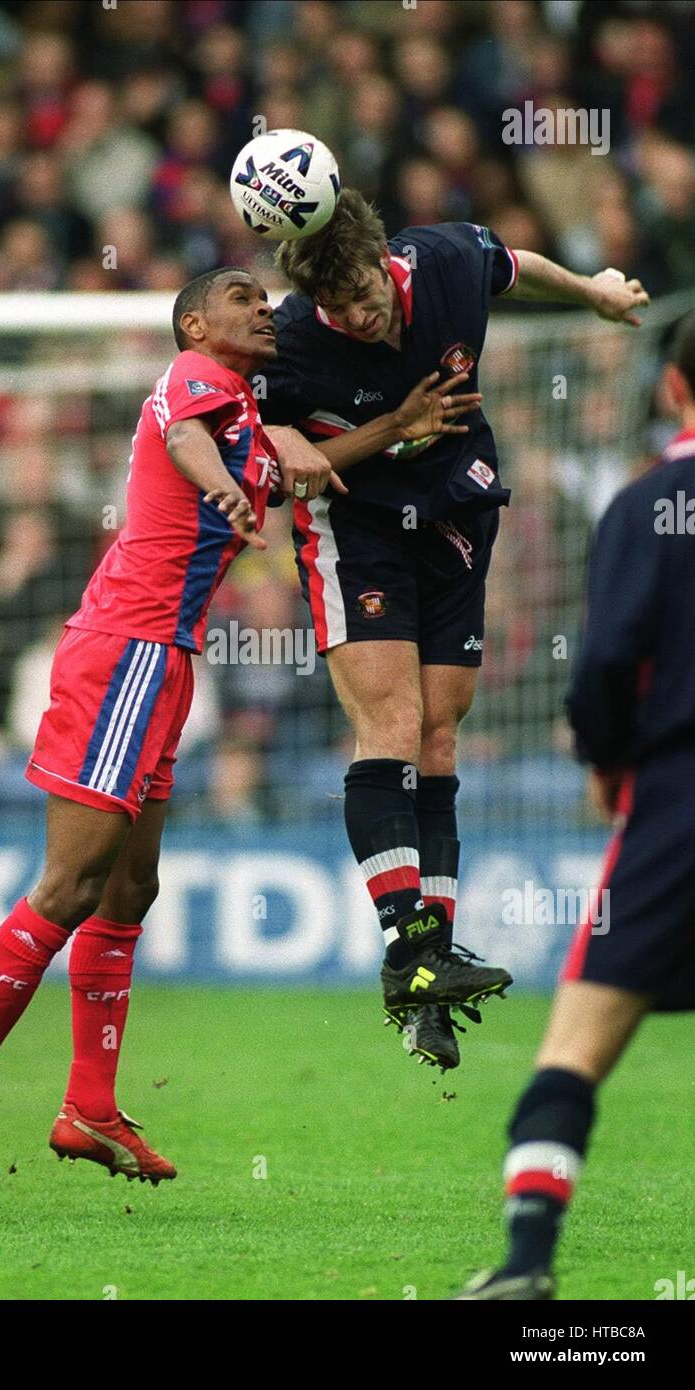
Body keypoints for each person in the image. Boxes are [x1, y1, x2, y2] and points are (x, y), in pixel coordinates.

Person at [0, 266, 339, 1189]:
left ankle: (89, 1108)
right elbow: (184, 437)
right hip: (124, 651)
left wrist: (402, 422)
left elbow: (307, 467)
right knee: (69, 884)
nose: (261, 306)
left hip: (166, 663)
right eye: (239, 296)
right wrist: (225, 489)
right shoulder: (197, 378)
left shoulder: (251, 426)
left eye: (266, 299)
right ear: (194, 323)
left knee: (128, 890)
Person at [261, 188, 650, 1070]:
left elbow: (515, 265)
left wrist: (591, 291)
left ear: (381, 260)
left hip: (454, 514)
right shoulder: (291, 342)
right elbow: (291, 467)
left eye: (362, 296)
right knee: (390, 728)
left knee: (440, 733)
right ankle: (409, 949)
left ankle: (427, 969)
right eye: (336, 310)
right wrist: (390, 429)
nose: (355, 319)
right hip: (356, 534)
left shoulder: (441, 259)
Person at [455, 310, 695, 1300]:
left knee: (574, 1047)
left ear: (671, 389)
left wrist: (605, 758)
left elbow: (601, 663)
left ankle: (525, 1261)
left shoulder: (647, 504)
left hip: (676, 799)